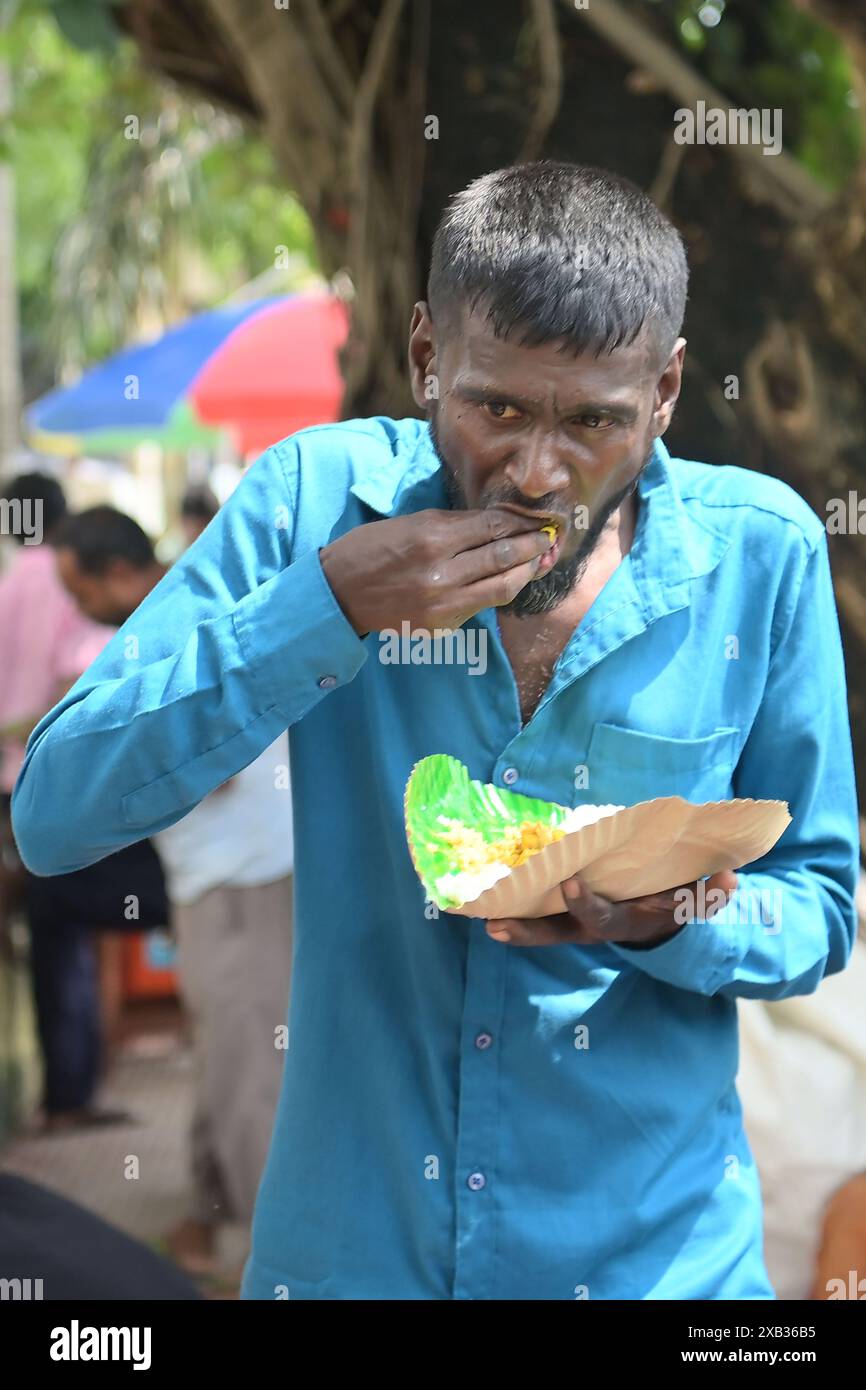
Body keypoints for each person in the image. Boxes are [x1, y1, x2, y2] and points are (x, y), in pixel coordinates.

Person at [12, 162, 858, 1301]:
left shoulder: (760, 558)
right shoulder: (315, 502)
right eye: (495, 407)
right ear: (422, 358)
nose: (537, 471)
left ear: (663, 391)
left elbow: (818, 900)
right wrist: (323, 612)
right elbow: (57, 814)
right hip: (353, 1259)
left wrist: (679, 918)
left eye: (593, 422)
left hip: (655, 1269)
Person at [52, 505, 295, 1276]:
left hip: (244, 874)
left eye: (77, 588)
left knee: (249, 1067)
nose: (75, 606)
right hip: (219, 873)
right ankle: (212, 1217)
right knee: (225, 1055)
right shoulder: (177, 613)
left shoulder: (177, 626)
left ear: (117, 573)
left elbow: (211, 765)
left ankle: (261, 1258)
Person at [0, 472, 164, 1131]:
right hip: (75, 782)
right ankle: (88, 1081)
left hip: (12, 785)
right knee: (93, 929)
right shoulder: (68, 580)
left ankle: (64, 1095)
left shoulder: (12, 582)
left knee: (53, 931)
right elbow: (84, 673)